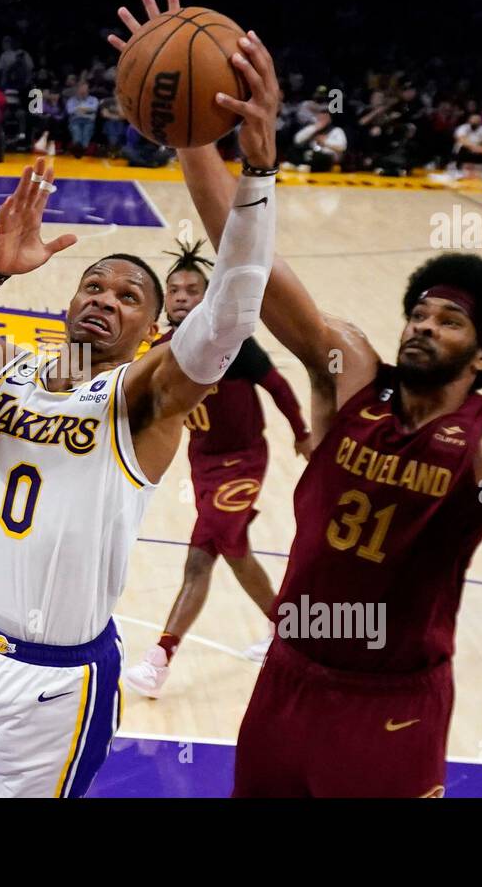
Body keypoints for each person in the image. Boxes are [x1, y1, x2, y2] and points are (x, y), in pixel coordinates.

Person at [120, 0, 482, 798]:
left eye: (450, 322)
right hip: (289, 678)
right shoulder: (351, 373)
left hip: (394, 705)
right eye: (420, 312)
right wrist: (194, 137)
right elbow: (247, 268)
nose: (424, 327)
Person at [0, 65, 279, 796]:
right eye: (93, 285)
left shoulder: (142, 394)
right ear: (67, 298)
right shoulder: (8, 364)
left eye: (129, 296)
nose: (105, 299)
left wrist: (257, 171)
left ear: (152, 329)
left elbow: (230, 317)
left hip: (59, 681)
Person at [123, 239, 309, 698]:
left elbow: (278, 386)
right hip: (203, 465)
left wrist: (303, 433)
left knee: (201, 555)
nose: (182, 296)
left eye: (192, 288)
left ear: (208, 297)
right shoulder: (163, 349)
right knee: (234, 548)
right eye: (175, 290)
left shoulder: (232, 343)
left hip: (244, 461)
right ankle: (287, 630)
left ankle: (160, 656)